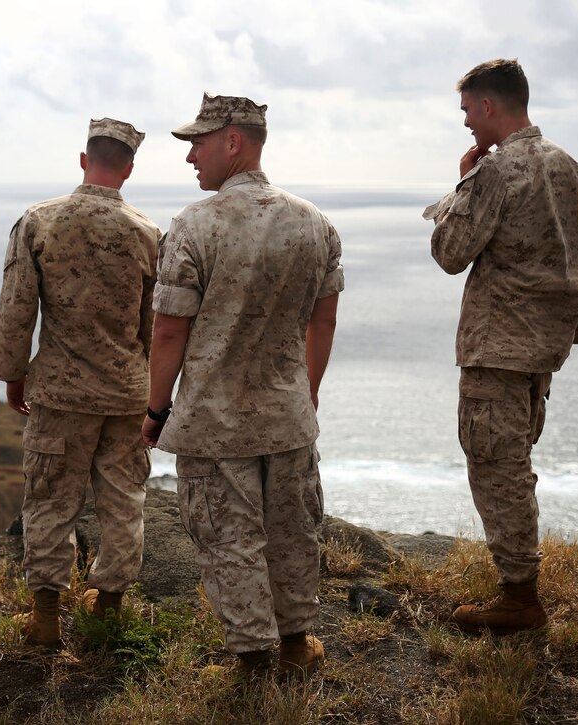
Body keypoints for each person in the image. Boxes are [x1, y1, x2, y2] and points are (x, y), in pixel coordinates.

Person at [142, 93, 343, 679]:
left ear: (233, 141)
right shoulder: (314, 223)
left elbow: (169, 333)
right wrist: (306, 393)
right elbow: (322, 320)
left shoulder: (193, 225)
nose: (190, 158)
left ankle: (253, 662)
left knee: (230, 538)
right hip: (287, 415)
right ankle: (297, 643)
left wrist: (156, 412)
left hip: (213, 421)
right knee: (293, 532)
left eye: (197, 144)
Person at [424, 59, 578, 634]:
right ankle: (520, 586)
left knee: (496, 466)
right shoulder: (570, 168)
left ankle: (520, 598)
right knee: (515, 461)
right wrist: (571, 334)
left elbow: (450, 252)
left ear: (489, 107)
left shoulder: (497, 172)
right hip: (542, 347)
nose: (467, 124)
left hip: (497, 345)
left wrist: (461, 186)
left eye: (468, 112)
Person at [0, 118, 161, 646]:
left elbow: (16, 309)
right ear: (129, 168)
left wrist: (14, 374)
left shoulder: (38, 223)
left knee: (49, 501)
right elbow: (154, 327)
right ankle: (108, 603)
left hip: (60, 393)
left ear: (83, 159)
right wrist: (155, 390)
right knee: (123, 499)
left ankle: (45, 617)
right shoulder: (148, 234)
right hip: (127, 393)